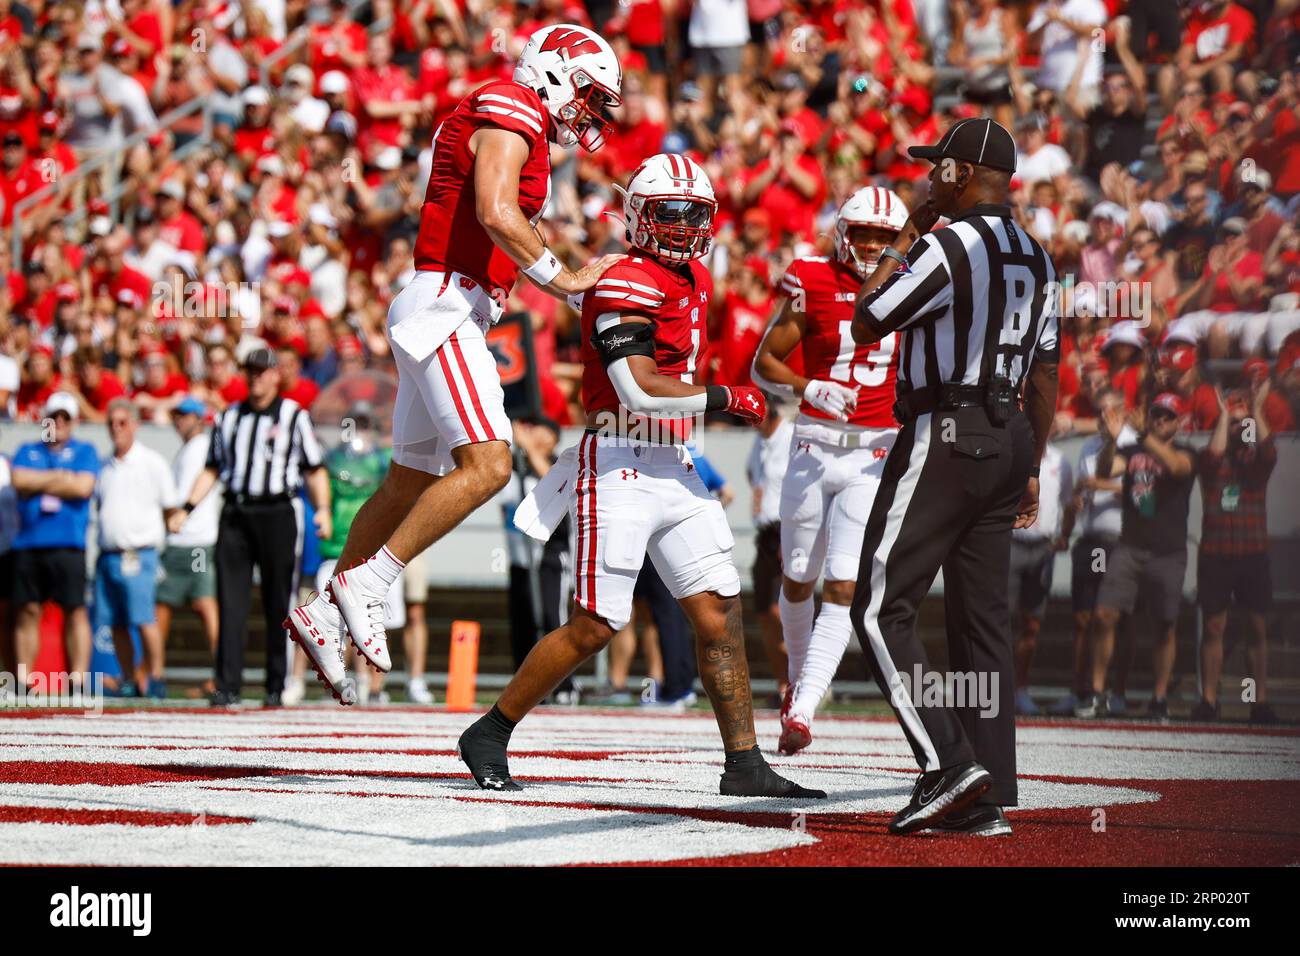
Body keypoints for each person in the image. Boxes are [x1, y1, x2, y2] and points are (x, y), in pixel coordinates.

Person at [458, 153, 822, 799]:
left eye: (695, 215)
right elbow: (636, 387)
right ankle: (490, 730)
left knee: (718, 611)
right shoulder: (623, 279)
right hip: (619, 460)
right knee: (597, 623)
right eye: (670, 213)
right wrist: (725, 398)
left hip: (675, 462)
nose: (684, 228)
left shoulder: (696, 278)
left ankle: (744, 763)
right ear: (638, 216)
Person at [285, 23, 625, 698]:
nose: (587, 113)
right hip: (447, 301)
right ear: (554, 70)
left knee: (408, 480)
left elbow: (496, 219)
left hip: (448, 301)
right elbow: (497, 212)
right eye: (587, 94)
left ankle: (327, 610)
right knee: (491, 464)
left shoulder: (511, 112)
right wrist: (569, 280)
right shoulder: (513, 104)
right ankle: (368, 582)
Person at [849, 118, 1059, 836]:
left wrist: (908, 230)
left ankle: (947, 764)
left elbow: (868, 319)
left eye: (939, 166)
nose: (929, 175)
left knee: (879, 609)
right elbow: (1049, 370)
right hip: (1010, 440)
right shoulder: (1037, 255)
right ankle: (988, 789)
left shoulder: (948, 242)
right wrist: (1031, 461)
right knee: (982, 623)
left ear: (962, 173)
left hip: (948, 431)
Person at [751, 185, 906, 755]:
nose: (870, 243)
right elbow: (763, 360)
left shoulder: (911, 285)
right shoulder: (811, 279)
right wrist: (809, 384)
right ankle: (797, 674)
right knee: (797, 576)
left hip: (874, 450)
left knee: (843, 583)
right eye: (862, 231)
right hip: (814, 445)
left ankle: (805, 706)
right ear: (842, 231)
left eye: (883, 235)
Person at [168, 348, 332, 707]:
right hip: (237, 513)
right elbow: (212, 468)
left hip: (278, 513)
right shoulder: (229, 418)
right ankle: (227, 685)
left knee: (279, 601)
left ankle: (276, 685)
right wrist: (187, 508)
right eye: (251, 371)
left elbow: (314, 467)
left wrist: (322, 509)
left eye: (262, 371)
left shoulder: (293, 416)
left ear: (275, 375)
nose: (256, 377)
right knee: (231, 601)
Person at [1083, 393, 1198, 721]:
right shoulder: (1132, 450)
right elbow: (1108, 469)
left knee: (1164, 624)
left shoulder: (1187, 450)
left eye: (1167, 416)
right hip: (1130, 545)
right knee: (1105, 613)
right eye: (1157, 415)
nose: (1161, 420)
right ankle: (1096, 692)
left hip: (1168, 549)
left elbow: (1177, 468)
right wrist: (1111, 440)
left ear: (1178, 422)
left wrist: (1142, 435)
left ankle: (1159, 697)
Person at [1194, 384, 1277, 724]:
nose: (1240, 430)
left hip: (1252, 553)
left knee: (1257, 627)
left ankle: (1259, 701)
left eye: (1244, 426)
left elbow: (1271, 451)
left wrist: (1255, 410)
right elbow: (1212, 458)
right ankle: (1209, 700)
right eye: (1233, 424)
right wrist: (1226, 415)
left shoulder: (1255, 462)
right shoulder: (1210, 460)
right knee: (1214, 627)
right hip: (1216, 553)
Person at [10, 392, 99, 681]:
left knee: (75, 610)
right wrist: (61, 478)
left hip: (69, 544)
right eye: (53, 417)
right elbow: (19, 481)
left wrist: (41, 482)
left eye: (65, 418)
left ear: (73, 422)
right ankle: (24, 680)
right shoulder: (27, 450)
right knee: (28, 610)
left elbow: (83, 488)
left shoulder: (85, 451)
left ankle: (77, 680)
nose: (58, 423)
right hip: (29, 544)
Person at [95, 398, 179, 699]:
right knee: (116, 622)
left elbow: (171, 509)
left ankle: (156, 676)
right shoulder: (105, 466)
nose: (115, 429)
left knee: (144, 619)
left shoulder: (152, 463)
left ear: (134, 425)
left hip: (138, 553)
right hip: (109, 554)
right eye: (111, 423)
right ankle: (129, 677)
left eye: (121, 422)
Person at [1058, 388, 1135, 717]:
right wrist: (1076, 501)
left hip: (1122, 538)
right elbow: (1083, 486)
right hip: (1090, 536)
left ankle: (1116, 692)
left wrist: (1099, 485)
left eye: (1110, 411)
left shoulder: (1134, 443)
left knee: (1116, 618)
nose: (1104, 418)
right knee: (1084, 618)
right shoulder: (1089, 446)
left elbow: (1138, 488)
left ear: (1123, 411)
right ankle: (1080, 690)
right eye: (1100, 412)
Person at [156, 396, 221, 699]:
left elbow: (188, 493)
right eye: (177, 415)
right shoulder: (191, 448)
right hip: (188, 537)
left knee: (201, 602)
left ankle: (220, 671)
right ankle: (153, 672)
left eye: (185, 415)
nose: (179, 420)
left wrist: (174, 514)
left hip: (193, 538)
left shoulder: (199, 447)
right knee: (167, 604)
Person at [1009, 441, 1072, 716]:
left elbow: (1069, 502)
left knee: (1031, 623)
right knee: (1001, 620)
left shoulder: (1061, 462)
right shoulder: (1014, 453)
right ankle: (995, 690)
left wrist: (1064, 536)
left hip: (1043, 548)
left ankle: (1020, 689)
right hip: (1012, 544)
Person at [745, 404, 794, 704]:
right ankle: (784, 686)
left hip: (785, 529)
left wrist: (791, 535)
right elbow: (754, 476)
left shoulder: (790, 437)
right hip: (765, 533)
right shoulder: (760, 441)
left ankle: (805, 680)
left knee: (782, 611)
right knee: (764, 612)